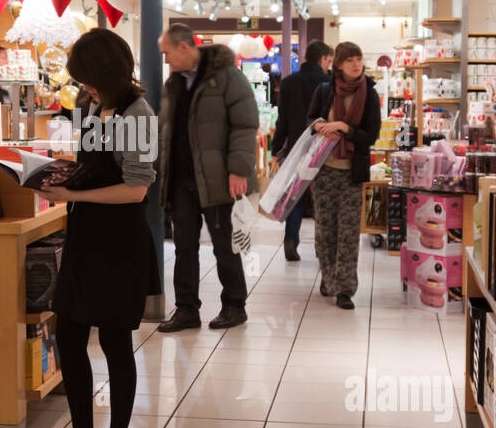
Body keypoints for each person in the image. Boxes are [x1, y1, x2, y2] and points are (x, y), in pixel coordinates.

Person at [34, 28, 159, 428]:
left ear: (108, 73)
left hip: (121, 241)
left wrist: (76, 194)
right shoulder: (89, 106)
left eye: (88, 79)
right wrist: (59, 177)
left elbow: (136, 190)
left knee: (114, 341)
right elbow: (92, 165)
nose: (82, 88)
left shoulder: (138, 114)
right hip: (85, 235)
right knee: (68, 333)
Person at [156, 24, 259, 331]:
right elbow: (166, 130)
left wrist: (238, 169)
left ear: (184, 47)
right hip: (180, 180)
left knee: (224, 245)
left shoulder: (227, 76)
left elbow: (245, 125)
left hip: (217, 179)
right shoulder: (174, 84)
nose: (166, 60)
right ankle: (186, 309)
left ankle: (234, 305)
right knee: (184, 246)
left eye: (167, 53)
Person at [304, 41, 382, 309]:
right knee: (325, 230)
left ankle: (345, 289)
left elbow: (371, 135)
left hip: (352, 172)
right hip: (324, 171)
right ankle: (328, 277)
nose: (356, 64)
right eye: (350, 60)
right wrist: (321, 125)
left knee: (349, 232)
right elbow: (311, 120)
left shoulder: (369, 94)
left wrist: (345, 128)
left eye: (358, 59)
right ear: (338, 64)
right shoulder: (325, 90)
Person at [271, 40, 332, 261]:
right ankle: (321, 246)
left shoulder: (288, 83)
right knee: (321, 199)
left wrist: (277, 147)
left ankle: (290, 240)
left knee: (295, 195)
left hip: (297, 148)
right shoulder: (329, 82)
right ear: (323, 58)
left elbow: (283, 120)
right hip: (324, 148)